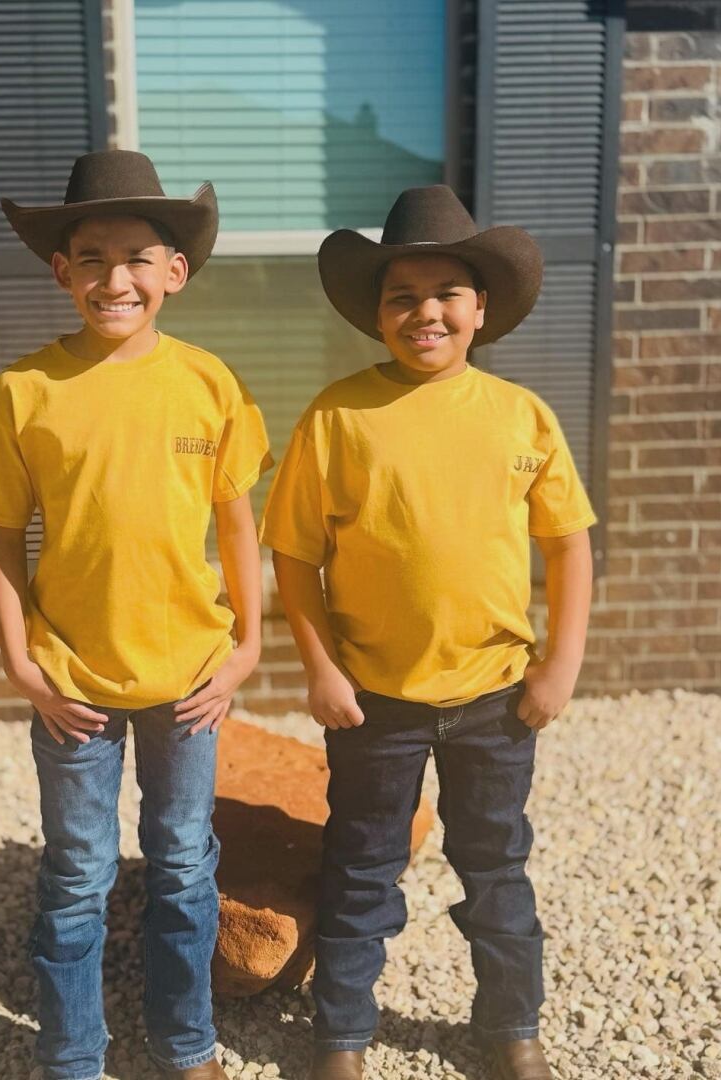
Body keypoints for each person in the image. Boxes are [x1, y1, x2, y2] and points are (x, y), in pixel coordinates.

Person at [0, 149, 271, 1080]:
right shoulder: (23, 394)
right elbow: (2, 540)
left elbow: (238, 527)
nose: (112, 279)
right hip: (71, 680)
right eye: (91, 257)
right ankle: (73, 1056)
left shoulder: (211, 384)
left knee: (180, 866)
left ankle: (185, 1043)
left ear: (175, 271)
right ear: (61, 271)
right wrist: (20, 662)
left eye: (136, 259)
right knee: (79, 876)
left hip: (190, 677)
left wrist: (246, 649)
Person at [262, 185, 595, 1080]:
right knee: (362, 871)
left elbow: (568, 548)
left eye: (446, 292)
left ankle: (510, 1029)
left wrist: (559, 664)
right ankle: (341, 1036)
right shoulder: (337, 418)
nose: (426, 312)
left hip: (494, 697)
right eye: (402, 296)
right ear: (377, 314)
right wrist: (321, 669)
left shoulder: (522, 416)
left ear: (480, 307)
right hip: (374, 698)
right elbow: (294, 560)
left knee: (496, 873)